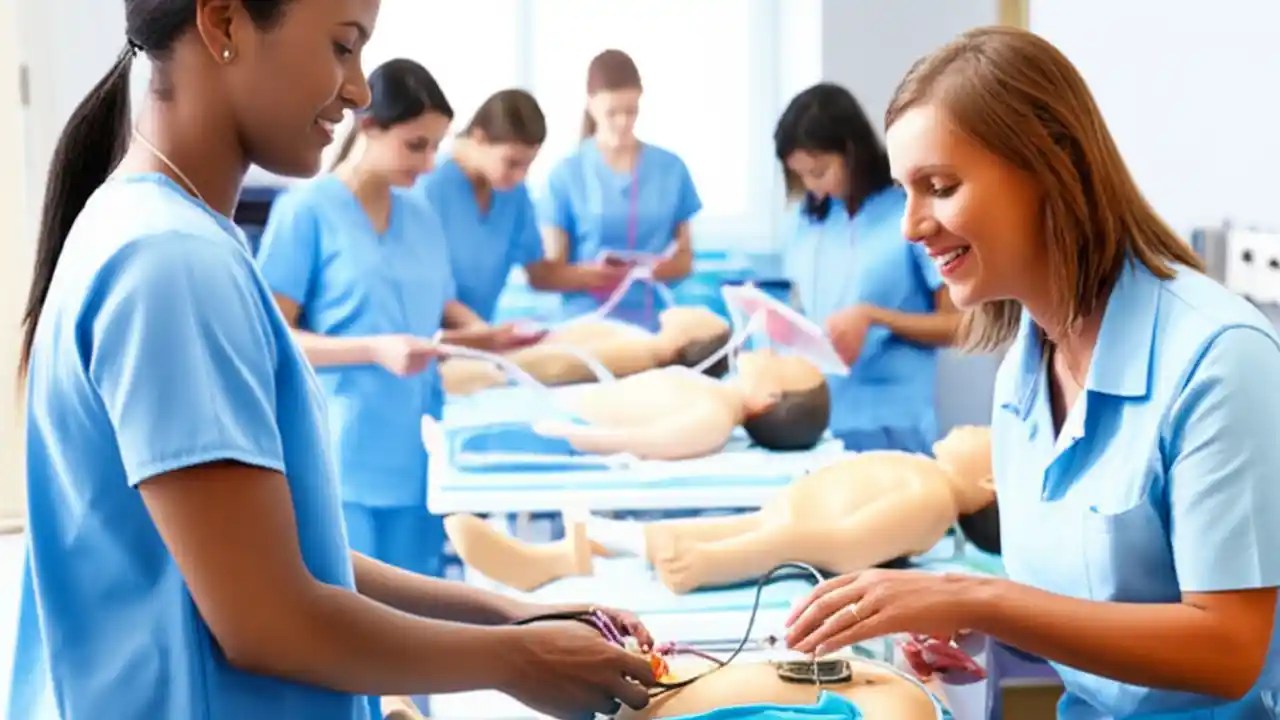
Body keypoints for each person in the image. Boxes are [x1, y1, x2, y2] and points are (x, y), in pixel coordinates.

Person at [9, 2, 657, 719]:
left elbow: (279, 559)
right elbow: (269, 621)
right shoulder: (171, 265)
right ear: (223, 23)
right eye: (344, 48)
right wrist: (515, 660)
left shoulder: (162, 234)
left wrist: (508, 617)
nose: (359, 91)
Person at [784, 26, 1280, 719]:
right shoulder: (1024, 374)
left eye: (940, 187)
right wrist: (984, 634)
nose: (911, 226)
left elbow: (1228, 651)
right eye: (905, 191)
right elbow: (1093, 619)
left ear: (1052, 166)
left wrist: (976, 597)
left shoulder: (1220, 359)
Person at [256, 58, 535, 584]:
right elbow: (271, 339)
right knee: (351, 618)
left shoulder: (420, 216)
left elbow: (433, 314)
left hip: (420, 451)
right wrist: (372, 350)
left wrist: (487, 338)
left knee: (422, 611)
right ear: (368, 128)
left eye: (435, 146)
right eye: (416, 145)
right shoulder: (308, 212)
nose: (431, 164)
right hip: (342, 457)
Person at [444, 425, 996, 594]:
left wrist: (768, 549)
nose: (975, 426)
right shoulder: (927, 479)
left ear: (990, 482)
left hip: (795, 532)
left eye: (987, 433)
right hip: (790, 514)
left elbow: (852, 544)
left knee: (703, 548)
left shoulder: (931, 499)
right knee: (701, 531)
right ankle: (566, 556)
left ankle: (584, 554)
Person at [774, 83, 961, 454]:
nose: (813, 187)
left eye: (820, 171)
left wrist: (874, 317)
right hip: (817, 423)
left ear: (851, 152)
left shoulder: (908, 215)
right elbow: (801, 305)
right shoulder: (808, 220)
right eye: (801, 176)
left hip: (892, 425)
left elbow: (959, 327)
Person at [536, 49, 702, 331]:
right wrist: (594, 276)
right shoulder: (565, 174)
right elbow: (549, 274)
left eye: (631, 111)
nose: (623, 122)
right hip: (585, 327)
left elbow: (685, 259)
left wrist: (662, 270)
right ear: (590, 105)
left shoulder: (671, 168)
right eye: (612, 112)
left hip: (655, 325)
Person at [416, 89, 579, 323]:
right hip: (431, 338)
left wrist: (603, 276)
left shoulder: (513, 194)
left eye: (527, 165)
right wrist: (483, 334)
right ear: (479, 138)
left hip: (483, 339)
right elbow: (424, 290)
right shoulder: (427, 187)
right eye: (512, 163)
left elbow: (539, 272)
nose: (520, 176)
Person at [530, 349, 830, 461]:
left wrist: (557, 434)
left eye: (778, 361)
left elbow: (637, 443)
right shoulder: (714, 395)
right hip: (556, 403)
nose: (768, 350)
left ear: (766, 400)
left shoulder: (714, 420)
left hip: (551, 423)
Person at [440, 305, 732, 395]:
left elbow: (556, 365)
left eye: (705, 316)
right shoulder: (642, 346)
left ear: (685, 342)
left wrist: (490, 365)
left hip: (482, 371)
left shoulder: (643, 351)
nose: (700, 308)